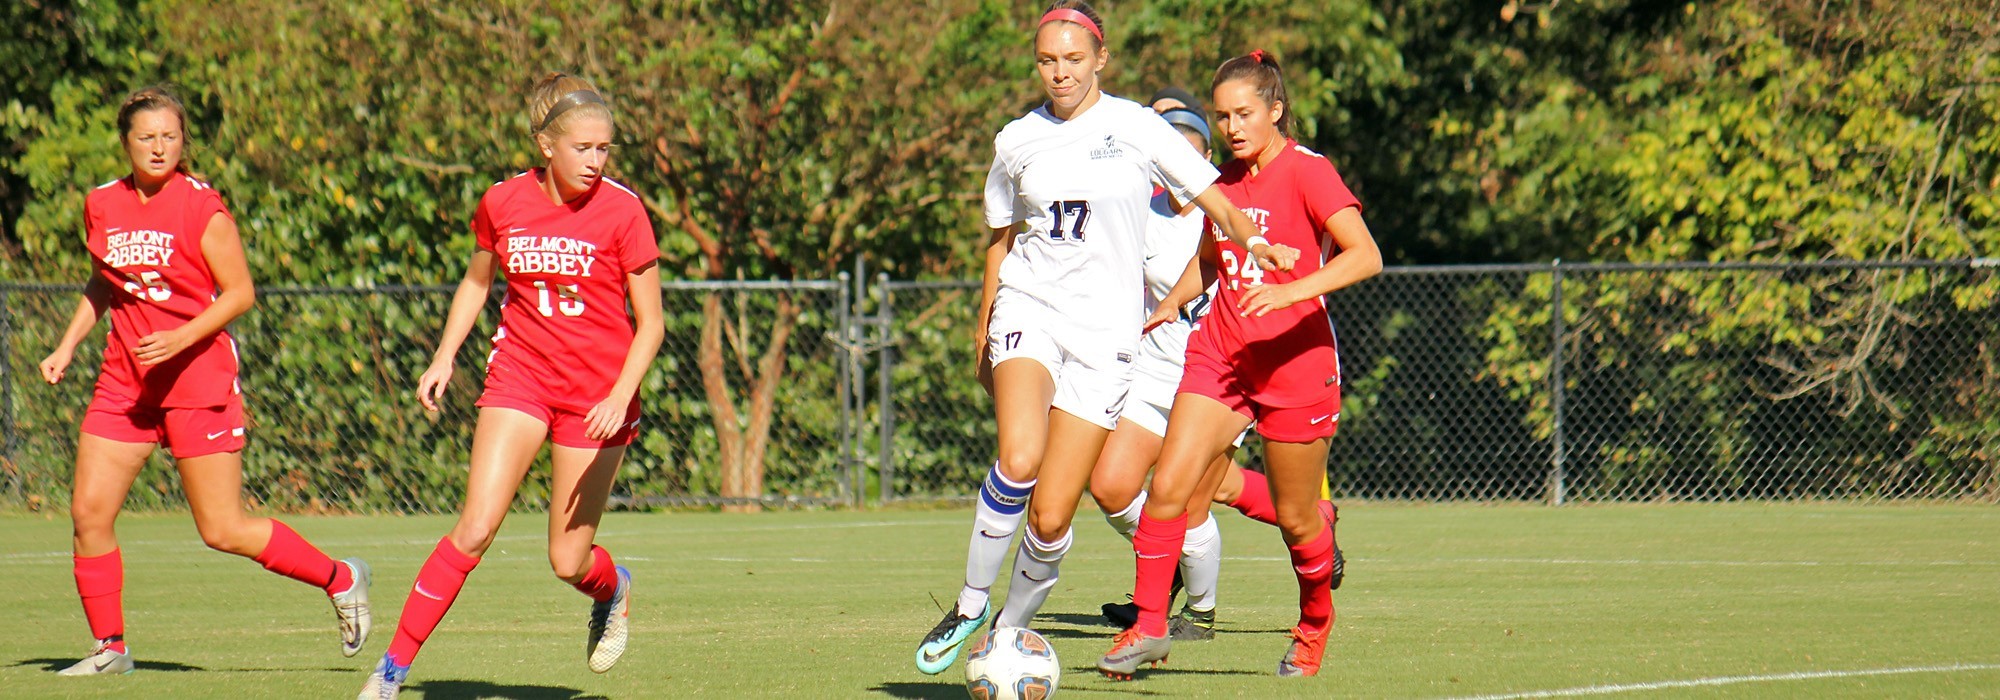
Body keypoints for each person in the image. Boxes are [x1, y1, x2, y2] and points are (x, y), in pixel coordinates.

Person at [913, 1, 1296, 676]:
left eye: (1072, 59)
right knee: (1021, 455)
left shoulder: (1138, 127)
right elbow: (1001, 243)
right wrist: (984, 332)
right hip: (1031, 309)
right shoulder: (1014, 140)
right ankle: (972, 602)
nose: (1059, 73)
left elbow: (1214, 198)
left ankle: (1009, 633)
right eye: (1047, 61)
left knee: (1055, 515)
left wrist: (1254, 239)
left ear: (1100, 59)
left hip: (1106, 335)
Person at [39, 85, 372, 676]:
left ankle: (341, 578)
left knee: (222, 528)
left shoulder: (201, 207)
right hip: (126, 383)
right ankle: (110, 649)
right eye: (146, 137)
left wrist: (179, 338)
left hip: (197, 380)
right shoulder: (102, 204)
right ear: (126, 143)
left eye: (170, 136)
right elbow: (104, 284)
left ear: (183, 141)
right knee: (89, 513)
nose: (159, 147)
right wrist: (67, 344)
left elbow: (241, 293)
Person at [358, 73, 664, 699]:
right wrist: (444, 356)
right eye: (584, 148)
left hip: (597, 398)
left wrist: (617, 396)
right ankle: (390, 673)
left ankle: (615, 589)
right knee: (473, 527)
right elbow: (477, 281)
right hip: (519, 377)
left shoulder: (624, 209)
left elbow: (652, 324)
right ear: (546, 144)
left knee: (567, 562)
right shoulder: (502, 201)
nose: (596, 161)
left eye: (605, 149)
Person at [1098, 50, 1381, 680]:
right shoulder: (1221, 183)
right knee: (1170, 487)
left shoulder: (1309, 173)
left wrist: (1290, 290)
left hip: (1296, 360)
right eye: (1222, 115)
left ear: (1275, 109)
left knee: (1298, 516)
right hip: (1220, 352)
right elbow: (1209, 258)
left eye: (1244, 113)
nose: (1231, 127)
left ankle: (1313, 625)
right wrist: (1171, 305)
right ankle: (1148, 628)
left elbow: (1366, 256)